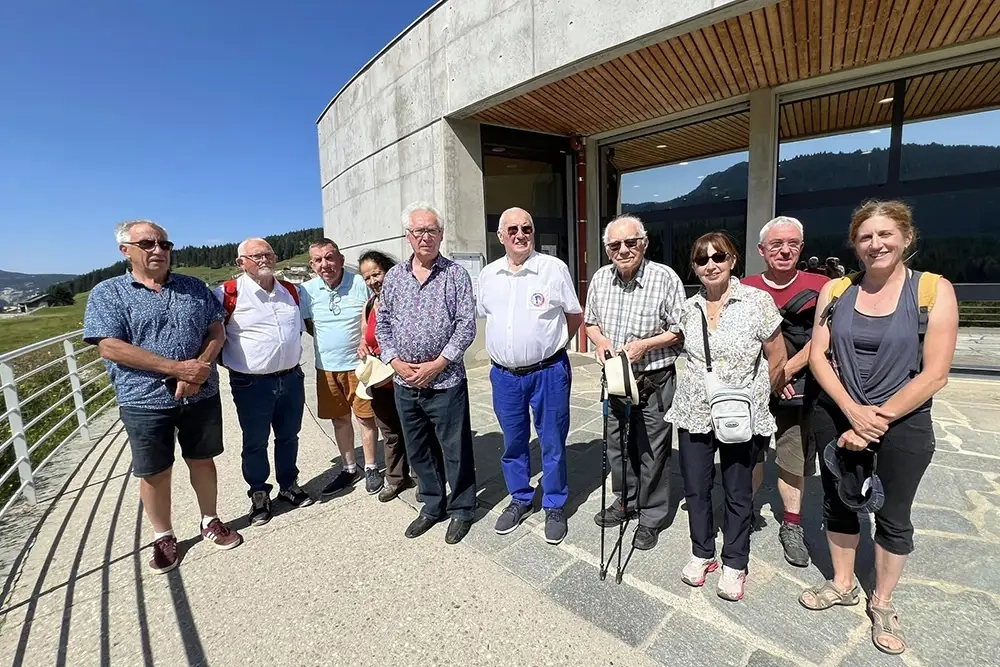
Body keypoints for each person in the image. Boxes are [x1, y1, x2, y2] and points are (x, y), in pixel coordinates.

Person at [798, 200, 957, 656]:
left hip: (903, 419)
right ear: (855, 244)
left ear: (906, 237)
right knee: (838, 500)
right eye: (866, 237)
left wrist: (875, 419)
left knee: (894, 514)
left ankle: (883, 602)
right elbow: (817, 356)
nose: (876, 244)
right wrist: (851, 411)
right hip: (840, 411)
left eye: (886, 234)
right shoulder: (837, 291)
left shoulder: (932, 290)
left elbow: (935, 374)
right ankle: (844, 583)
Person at [83, 220, 241, 574]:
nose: (158, 250)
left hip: (201, 393)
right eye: (148, 244)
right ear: (126, 250)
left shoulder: (194, 287)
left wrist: (199, 367)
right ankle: (163, 535)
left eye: (164, 245)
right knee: (155, 471)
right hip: (143, 398)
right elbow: (109, 346)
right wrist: (176, 368)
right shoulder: (109, 293)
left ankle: (209, 520)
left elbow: (216, 329)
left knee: (203, 459)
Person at [666, 232, 787, 602]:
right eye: (702, 260)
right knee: (696, 487)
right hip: (695, 410)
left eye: (718, 257)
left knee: (737, 490)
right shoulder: (688, 308)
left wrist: (761, 397)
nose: (711, 265)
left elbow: (776, 355)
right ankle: (702, 552)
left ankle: (735, 561)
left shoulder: (757, 302)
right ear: (695, 268)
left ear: (733, 259)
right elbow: (668, 339)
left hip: (740, 412)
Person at [478, 207, 584, 545]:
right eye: (512, 230)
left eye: (526, 228)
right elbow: (488, 316)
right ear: (500, 237)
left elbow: (574, 315)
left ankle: (554, 504)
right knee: (513, 443)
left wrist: (551, 346)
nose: (520, 234)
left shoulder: (553, 269)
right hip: (505, 376)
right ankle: (521, 498)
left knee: (552, 441)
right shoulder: (489, 275)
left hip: (548, 373)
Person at [376, 202, 478, 544]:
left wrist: (438, 363)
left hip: (446, 380)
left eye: (432, 230)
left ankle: (462, 508)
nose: (425, 237)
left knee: (455, 449)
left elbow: (466, 325)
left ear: (441, 235)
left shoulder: (455, 275)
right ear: (408, 236)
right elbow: (383, 323)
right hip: (405, 381)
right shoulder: (393, 278)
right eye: (419, 231)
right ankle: (432, 506)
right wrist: (394, 362)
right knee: (418, 449)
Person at [584, 214, 686, 551]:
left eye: (630, 242)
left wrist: (646, 345)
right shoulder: (600, 278)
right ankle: (624, 501)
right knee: (617, 445)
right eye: (615, 245)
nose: (623, 249)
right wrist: (601, 343)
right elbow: (590, 323)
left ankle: (652, 516)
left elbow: (679, 330)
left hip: (654, 378)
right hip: (615, 376)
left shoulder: (664, 277)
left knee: (652, 449)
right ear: (607, 249)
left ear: (643, 243)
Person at [742, 217, 829, 567]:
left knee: (793, 456)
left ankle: (791, 524)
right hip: (755, 387)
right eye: (776, 244)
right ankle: (743, 510)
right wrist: (770, 374)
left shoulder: (823, 285)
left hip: (801, 386)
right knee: (750, 452)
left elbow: (827, 336)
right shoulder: (745, 287)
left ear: (801, 247)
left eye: (792, 243)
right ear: (762, 250)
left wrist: (787, 370)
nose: (784, 250)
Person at [213, 238, 313, 527]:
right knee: (255, 442)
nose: (263, 259)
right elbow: (211, 333)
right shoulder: (227, 294)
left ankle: (289, 485)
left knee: (289, 435)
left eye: (268, 254)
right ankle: (259, 493)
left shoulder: (291, 291)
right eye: (255, 256)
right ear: (240, 262)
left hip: (291, 378)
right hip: (251, 384)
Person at [299, 238, 383, 496]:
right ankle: (349, 468)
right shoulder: (307, 291)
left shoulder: (360, 283)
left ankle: (370, 466)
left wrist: (362, 340)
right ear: (312, 265)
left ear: (341, 259)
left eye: (330, 257)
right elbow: (309, 324)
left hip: (359, 366)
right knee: (339, 419)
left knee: (366, 418)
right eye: (318, 260)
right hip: (326, 368)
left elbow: (376, 315)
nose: (325, 264)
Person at [356, 249, 414, 503]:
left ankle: (425, 479)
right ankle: (396, 478)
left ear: (389, 270)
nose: (373, 281)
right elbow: (364, 338)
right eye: (367, 278)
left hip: (405, 378)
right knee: (390, 433)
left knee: (416, 431)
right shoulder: (369, 305)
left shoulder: (407, 300)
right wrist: (362, 346)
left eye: (376, 274)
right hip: (380, 381)